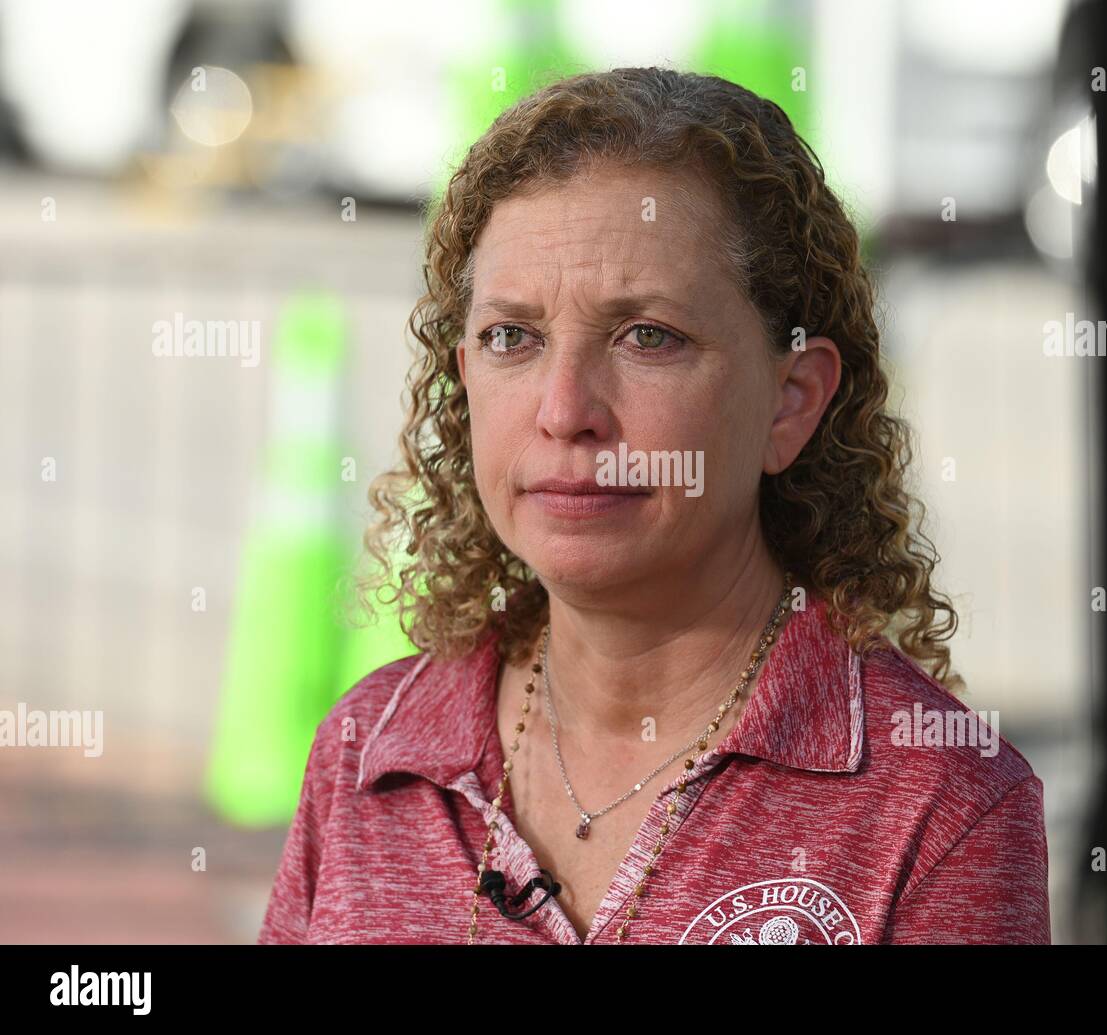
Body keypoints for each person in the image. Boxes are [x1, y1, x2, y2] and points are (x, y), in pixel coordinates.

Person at [257, 66, 1049, 945]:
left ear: (790, 402)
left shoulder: (936, 807)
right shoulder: (369, 753)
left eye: (647, 336)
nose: (564, 410)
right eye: (511, 336)